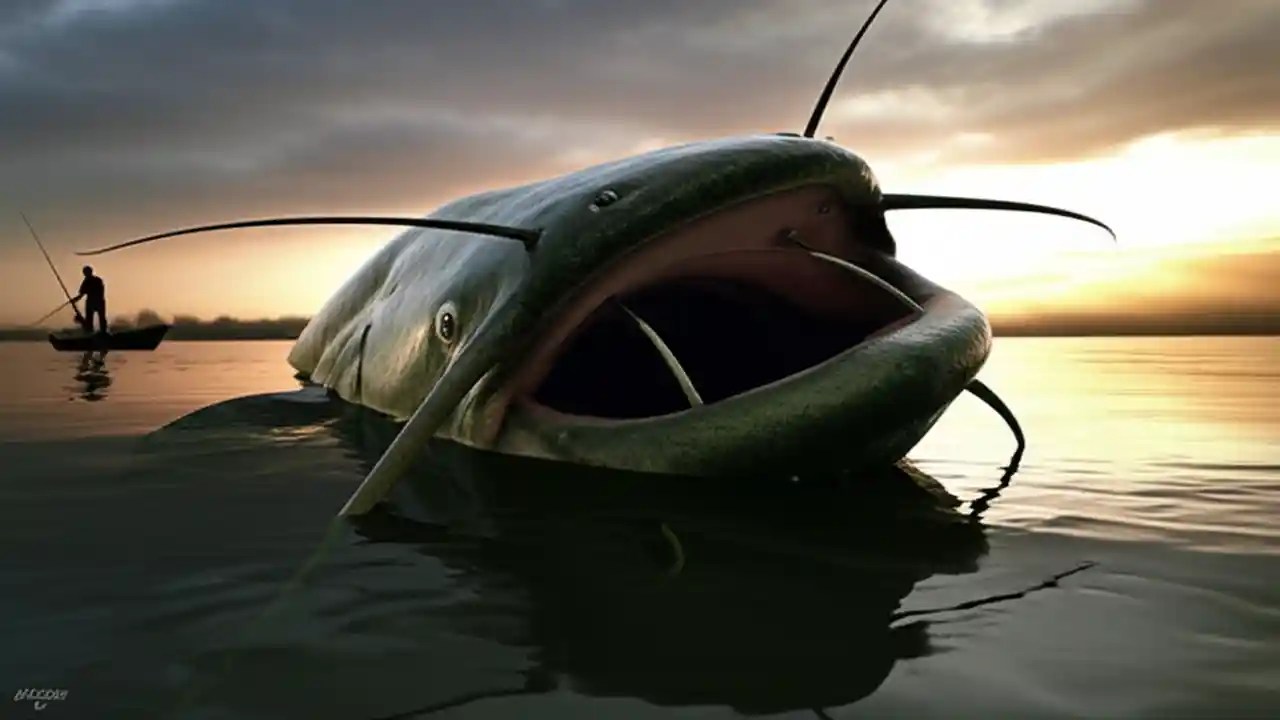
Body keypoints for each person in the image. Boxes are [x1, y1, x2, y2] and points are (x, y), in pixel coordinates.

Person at [71, 265, 108, 334]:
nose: (85, 274)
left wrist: (75, 300)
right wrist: (74, 300)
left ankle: (103, 332)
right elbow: (81, 294)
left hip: (97, 302)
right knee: (90, 320)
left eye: (86, 272)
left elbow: (100, 291)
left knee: (101, 319)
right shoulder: (87, 281)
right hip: (94, 302)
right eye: (85, 272)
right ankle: (90, 332)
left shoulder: (97, 280)